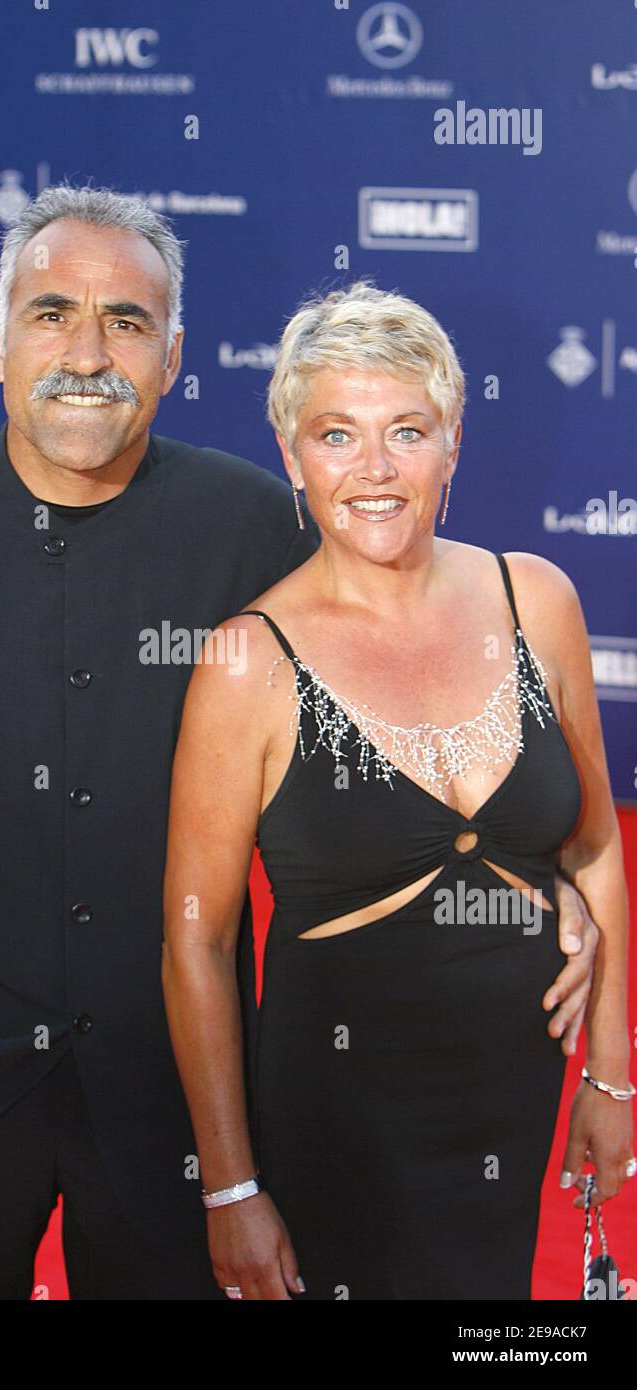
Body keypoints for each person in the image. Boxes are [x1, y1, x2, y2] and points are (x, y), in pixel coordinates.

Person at [0, 186, 598, 1300]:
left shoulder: (256, 523)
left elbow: (393, 716)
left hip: (172, 1110)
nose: (85, 351)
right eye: (50, 311)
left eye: (125, 321)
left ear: (171, 357)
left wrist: (532, 890)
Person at [162, 280, 633, 1300]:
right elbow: (195, 940)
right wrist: (230, 1187)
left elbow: (591, 846)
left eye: (405, 430)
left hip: (507, 1102)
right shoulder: (248, 660)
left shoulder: (533, 599)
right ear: (292, 457)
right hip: (337, 1122)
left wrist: (608, 1071)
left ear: (451, 442)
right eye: (336, 435)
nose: (372, 470)